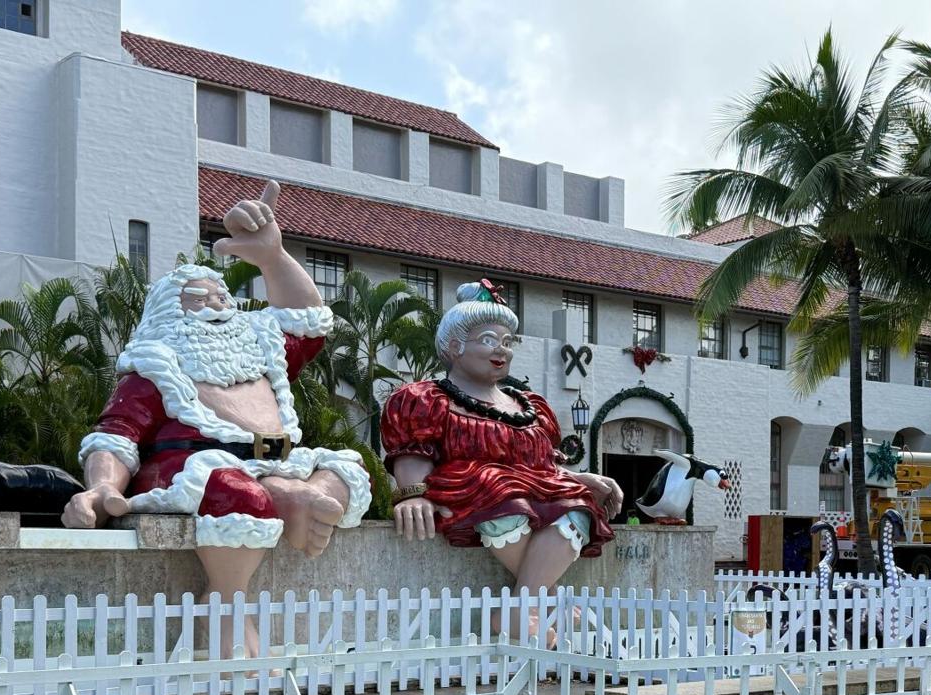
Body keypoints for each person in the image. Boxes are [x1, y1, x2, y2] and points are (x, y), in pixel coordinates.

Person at [63, 180, 372, 650]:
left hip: (275, 458)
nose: (214, 308)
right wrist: (103, 486)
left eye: (221, 299)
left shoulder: (258, 348)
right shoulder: (157, 364)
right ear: (171, 314)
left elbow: (308, 321)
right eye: (198, 300)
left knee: (342, 471)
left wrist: (273, 258)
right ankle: (226, 603)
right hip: (196, 467)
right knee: (237, 493)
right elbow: (117, 434)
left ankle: (291, 495)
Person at [380, 280, 622, 637]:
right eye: (489, 340)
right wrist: (413, 492)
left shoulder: (529, 406)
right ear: (454, 346)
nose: (502, 350)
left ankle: (523, 606)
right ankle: (545, 602)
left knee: (577, 507)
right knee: (501, 491)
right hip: (476, 491)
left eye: (507, 342)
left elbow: (542, 467)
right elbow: (413, 451)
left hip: (524, 489)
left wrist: (579, 479)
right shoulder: (426, 399)